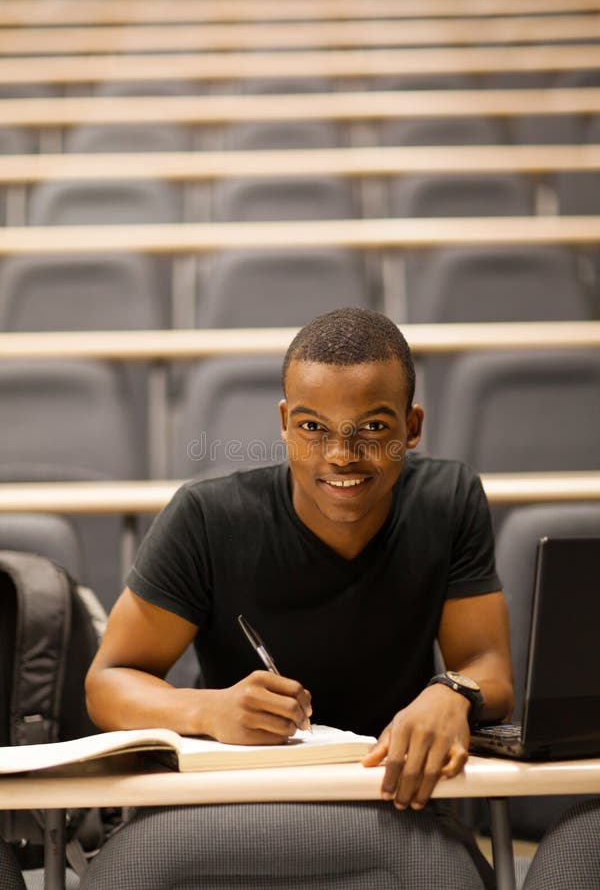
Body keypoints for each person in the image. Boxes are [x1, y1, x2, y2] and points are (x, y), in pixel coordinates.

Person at [85, 307, 513, 888]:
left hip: (389, 799)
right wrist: (206, 710)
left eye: (373, 429)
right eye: (313, 427)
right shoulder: (207, 517)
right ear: (285, 423)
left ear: (412, 428)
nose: (341, 454)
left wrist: (453, 691)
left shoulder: (450, 498)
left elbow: (490, 670)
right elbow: (107, 681)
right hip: (230, 802)